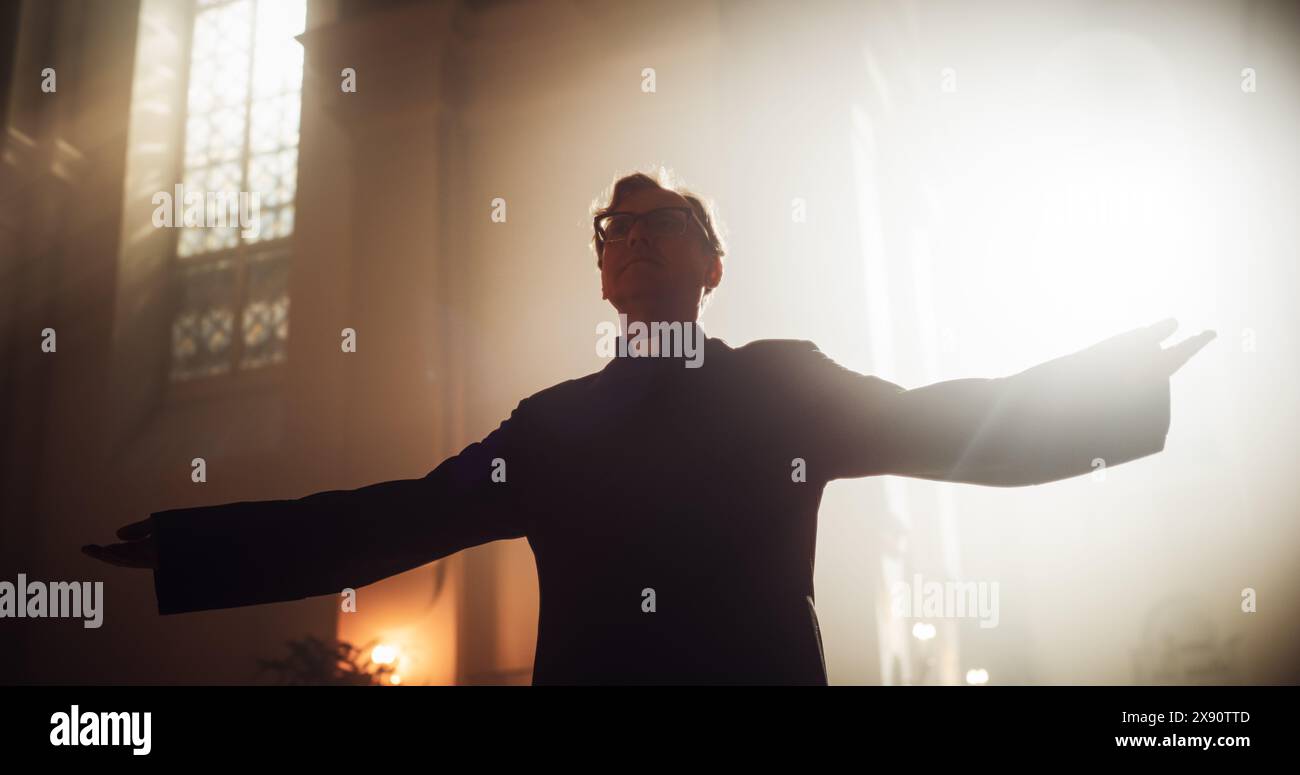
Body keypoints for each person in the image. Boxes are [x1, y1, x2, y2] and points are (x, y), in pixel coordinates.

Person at [84, 170, 1216, 685]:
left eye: (658, 220)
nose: (627, 235)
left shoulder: (787, 387)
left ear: (712, 264)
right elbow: (397, 520)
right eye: (610, 229)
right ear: (604, 273)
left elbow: (950, 425)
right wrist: (196, 546)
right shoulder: (554, 429)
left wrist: (1113, 385)